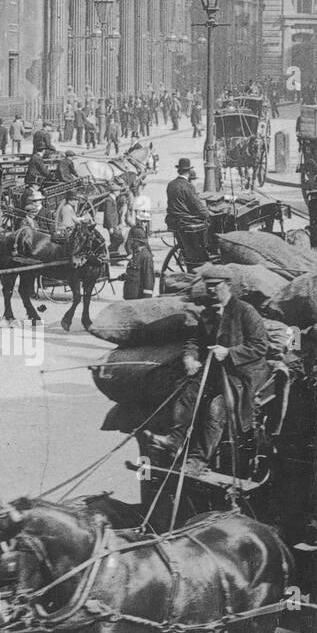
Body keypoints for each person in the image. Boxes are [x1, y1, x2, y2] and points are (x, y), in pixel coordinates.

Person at [169, 279, 270, 473]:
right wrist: (190, 357)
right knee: (188, 393)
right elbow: (195, 340)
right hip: (215, 372)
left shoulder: (245, 311)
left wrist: (229, 352)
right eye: (208, 286)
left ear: (229, 286)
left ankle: (198, 461)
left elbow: (259, 346)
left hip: (243, 375)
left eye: (216, 285)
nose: (211, 290)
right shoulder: (208, 313)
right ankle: (174, 441)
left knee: (217, 408)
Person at [9, 190, 46, 325]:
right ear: (28, 213)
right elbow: (23, 235)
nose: (34, 214)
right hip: (25, 248)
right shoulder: (24, 222)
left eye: (34, 213)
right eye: (32, 213)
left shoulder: (33, 221)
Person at [164, 158, 209, 235]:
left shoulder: (170, 184)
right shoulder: (188, 186)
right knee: (209, 223)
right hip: (186, 221)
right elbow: (196, 205)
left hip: (172, 220)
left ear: (178, 171)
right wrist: (207, 213)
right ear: (188, 172)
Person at [121, 223, 155, 300]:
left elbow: (148, 279)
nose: (129, 243)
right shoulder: (136, 254)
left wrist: (146, 300)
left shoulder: (145, 257)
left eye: (131, 241)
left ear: (137, 241)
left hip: (138, 299)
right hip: (130, 297)